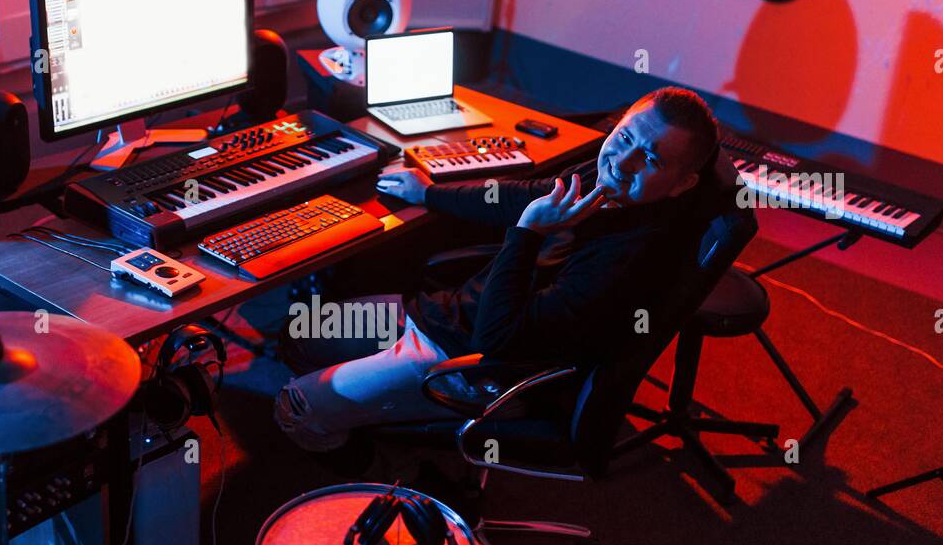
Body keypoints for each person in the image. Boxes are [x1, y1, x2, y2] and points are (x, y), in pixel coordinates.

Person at [275, 86, 724, 457]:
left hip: (479, 367)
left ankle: (365, 469)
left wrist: (526, 233)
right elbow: (524, 195)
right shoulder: (607, 175)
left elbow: (496, 339)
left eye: (651, 159)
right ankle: (372, 409)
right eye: (624, 138)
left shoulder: (627, 263)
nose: (622, 162)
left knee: (293, 406)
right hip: (447, 314)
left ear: (684, 184)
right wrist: (431, 193)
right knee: (300, 334)